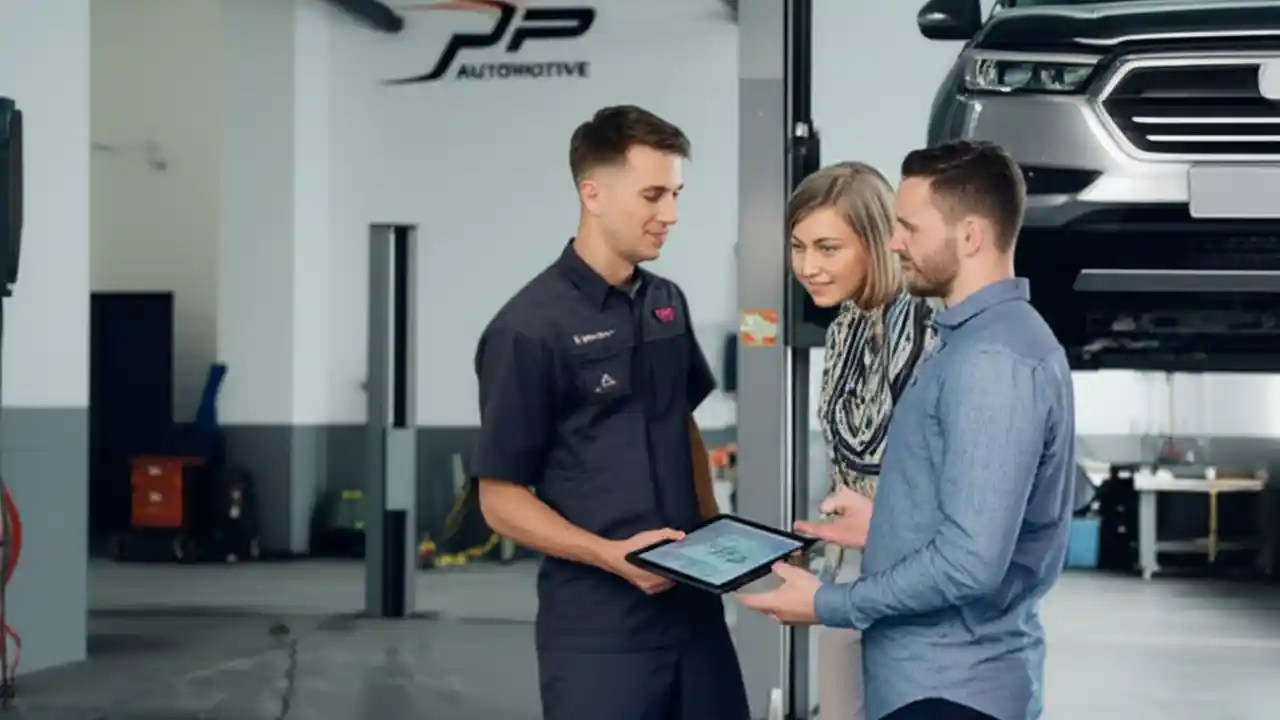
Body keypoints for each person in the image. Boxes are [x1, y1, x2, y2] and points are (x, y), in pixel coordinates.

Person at [737, 139, 1077, 720]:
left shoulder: (990, 361)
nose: (897, 244)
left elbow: (970, 561)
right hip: (918, 663)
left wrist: (832, 601)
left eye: (907, 228)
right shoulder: (966, 341)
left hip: (950, 677)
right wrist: (883, 524)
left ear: (969, 236)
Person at [470, 105, 749, 720]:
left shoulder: (666, 303)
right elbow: (500, 499)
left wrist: (718, 536)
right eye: (652, 194)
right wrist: (608, 555)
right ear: (592, 193)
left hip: (695, 618)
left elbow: (683, 424)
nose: (670, 214)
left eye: (675, 193)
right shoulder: (526, 330)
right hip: (600, 635)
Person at [786, 161, 937, 719]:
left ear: (876, 242)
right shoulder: (845, 326)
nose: (808, 266)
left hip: (914, 575)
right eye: (799, 247)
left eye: (828, 248)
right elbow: (845, 456)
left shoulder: (934, 328)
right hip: (847, 569)